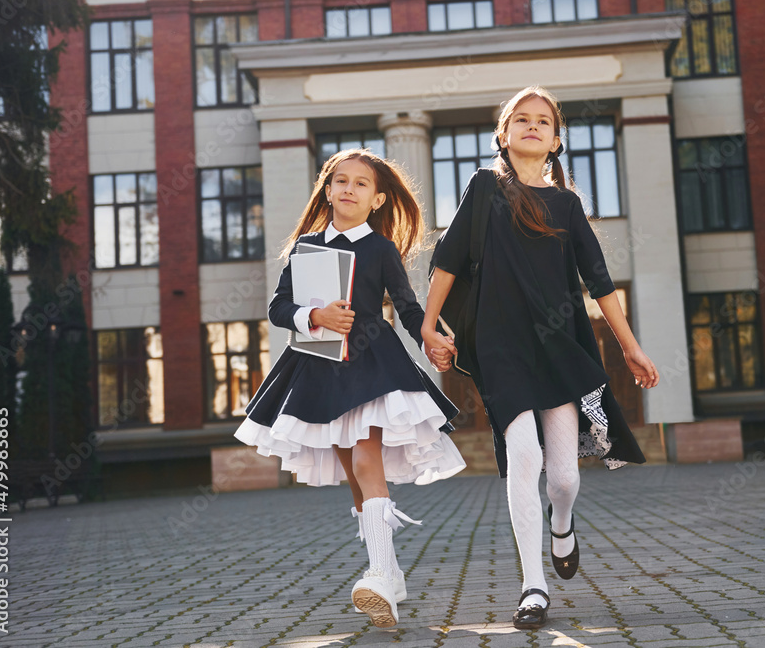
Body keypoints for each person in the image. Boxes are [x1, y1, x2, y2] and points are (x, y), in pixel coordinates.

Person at [421, 86, 660, 630]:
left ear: (555, 140)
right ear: (503, 136)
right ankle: (533, 586)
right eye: (520, 120)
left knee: (564, 479)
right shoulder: (484, 188)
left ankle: (563, 524)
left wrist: (630, 346)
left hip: (559, 343)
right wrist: (428, 324)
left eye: (543, 122)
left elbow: (598, 281)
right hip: (501, 345)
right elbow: (448, 260)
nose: (532, 126)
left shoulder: (568, 205)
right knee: (522, 457)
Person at [235, 148, 466, 629]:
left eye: (361, 183)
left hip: (372, 364)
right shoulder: (306, 247)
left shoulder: (380, 249)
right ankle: (394, 576)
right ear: (327, 188)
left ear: (378, 198)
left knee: (365, 458)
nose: (349, 188)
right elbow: (279, 308)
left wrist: (431, 337)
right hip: (318, 368)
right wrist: (315, 316)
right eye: (340, 180)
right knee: (353, 472)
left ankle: (380, 573)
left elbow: (405, 305)